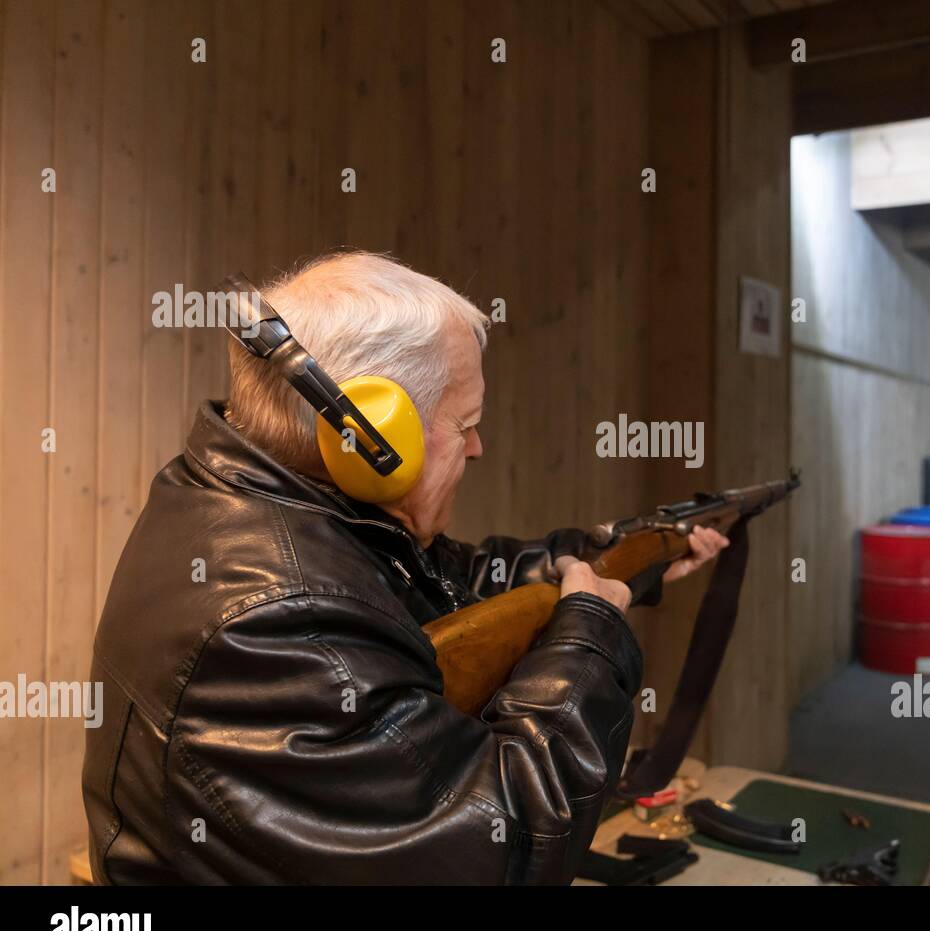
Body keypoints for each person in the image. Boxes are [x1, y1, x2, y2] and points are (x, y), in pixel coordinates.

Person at [82, 251, 726, 884]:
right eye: (465, 424)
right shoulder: (281, 624)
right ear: (372, 439)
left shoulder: (263, 504)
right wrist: (590, 642)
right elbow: (508, 845)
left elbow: (438, 584)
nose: (478, 448)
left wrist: (606, 563)